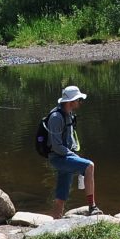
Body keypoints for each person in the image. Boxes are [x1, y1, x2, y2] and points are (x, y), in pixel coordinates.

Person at [46, 84, 100, 218]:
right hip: (58, 158)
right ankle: (92, 207)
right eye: (78, 100)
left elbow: (69, 139)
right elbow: (57, 146)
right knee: (89, 165)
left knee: (61, 195)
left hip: (65, 156)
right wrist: (73, 155)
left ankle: (56, 220)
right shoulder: (56, 117)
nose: (80, 102)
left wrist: (73, 154)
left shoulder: (68, 114)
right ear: (70, 102)